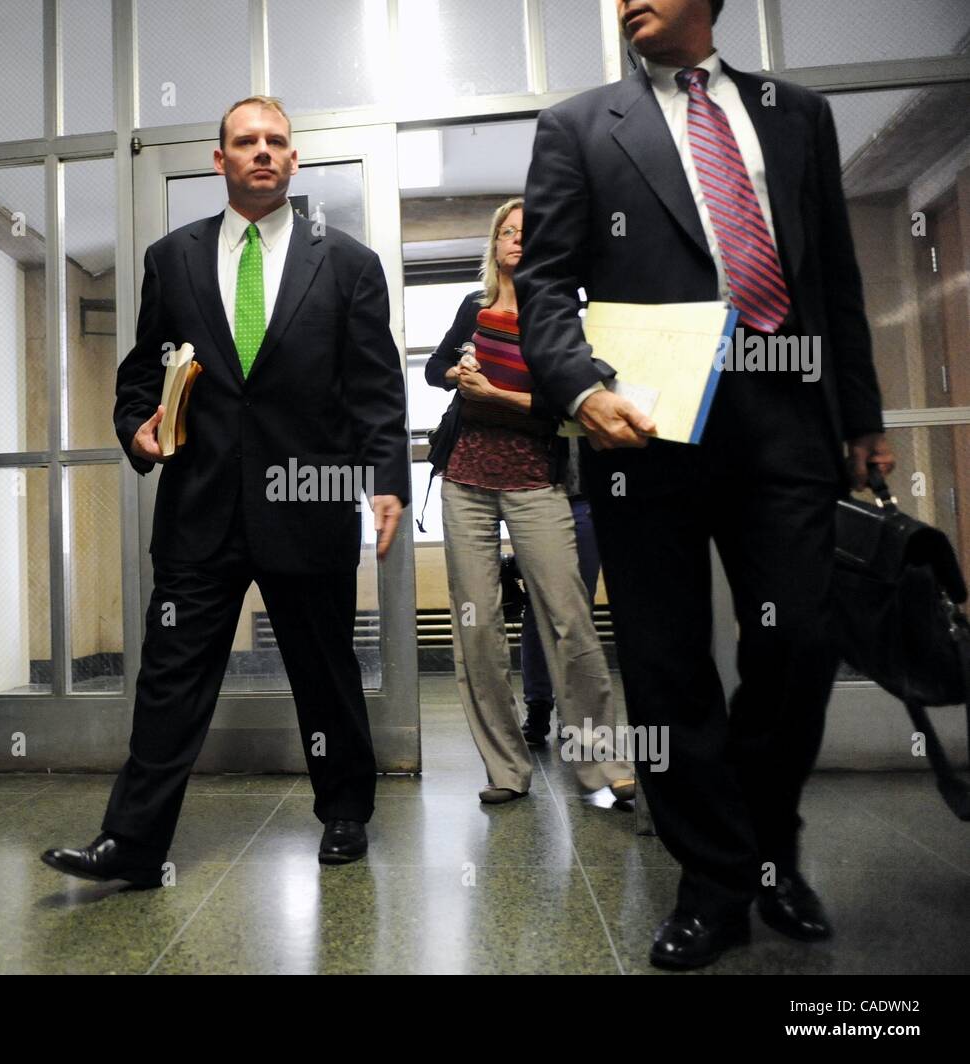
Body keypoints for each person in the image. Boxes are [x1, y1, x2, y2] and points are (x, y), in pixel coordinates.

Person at [515, 0, 896, 968]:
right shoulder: (577, 128)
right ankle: (714, 879)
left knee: (803, 637)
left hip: (784, 418)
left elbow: (834, 280)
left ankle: (767, 849)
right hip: (644, 427)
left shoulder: (795, 114)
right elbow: (546, 286)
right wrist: (578, 387)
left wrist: (861, 418)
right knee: (665, 661)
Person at [43, 96, 410, 887]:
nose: (263, 152)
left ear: (294, 160)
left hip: (308, 498)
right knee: (170, 677)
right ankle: (134, 843)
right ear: (220, 161)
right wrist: (136, 424)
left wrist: (385, 481)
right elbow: (143, 370)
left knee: (324, 670)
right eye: (246, 141)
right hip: (201, 505)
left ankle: (345, 811)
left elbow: (375, 390)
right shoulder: (171, 258)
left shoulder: (346, 262)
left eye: (277, 141)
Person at [425, 197, 633, 807]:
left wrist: (502, 395)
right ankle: (506, 768)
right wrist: (456, 374)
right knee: (478, 627)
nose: (516, 240)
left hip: (538, 479)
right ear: (495, 246)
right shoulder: (474, 306)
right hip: (466, 479)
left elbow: (575, 399)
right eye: (507, 233)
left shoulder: (563, 314)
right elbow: (436, 367)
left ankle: (604, 764)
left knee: (569, 621)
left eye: (528, 233)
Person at [516, 446, 602, 748]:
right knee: (537, 608)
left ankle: (574, 713)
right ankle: (538, 707)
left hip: (585, 499)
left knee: (578, 608)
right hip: (534, 498)